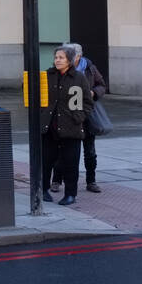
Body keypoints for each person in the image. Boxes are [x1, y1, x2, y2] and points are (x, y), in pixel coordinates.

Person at [42, 44, 92, 206]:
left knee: (71, 163)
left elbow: (87, 102)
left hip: (71, 127)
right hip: (50, 128)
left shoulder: (78, 78)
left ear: (70, 60)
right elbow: (35, 97)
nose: (57, 60)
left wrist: (79, 117)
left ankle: (70, 194)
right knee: (46, 161)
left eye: (61, 57)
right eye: (56, 57)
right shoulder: (47, 76)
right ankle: (43, 189)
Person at [53, 42, 106, 193]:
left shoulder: (89, 68)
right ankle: (56, 180)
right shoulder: (61, 69)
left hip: (86, 114)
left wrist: (94, 93)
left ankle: (91, 181)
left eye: (71, 55)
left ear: (78, 56)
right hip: (67, 115)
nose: (66, 58)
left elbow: (101, 85)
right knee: (63, 149)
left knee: (90, 151)